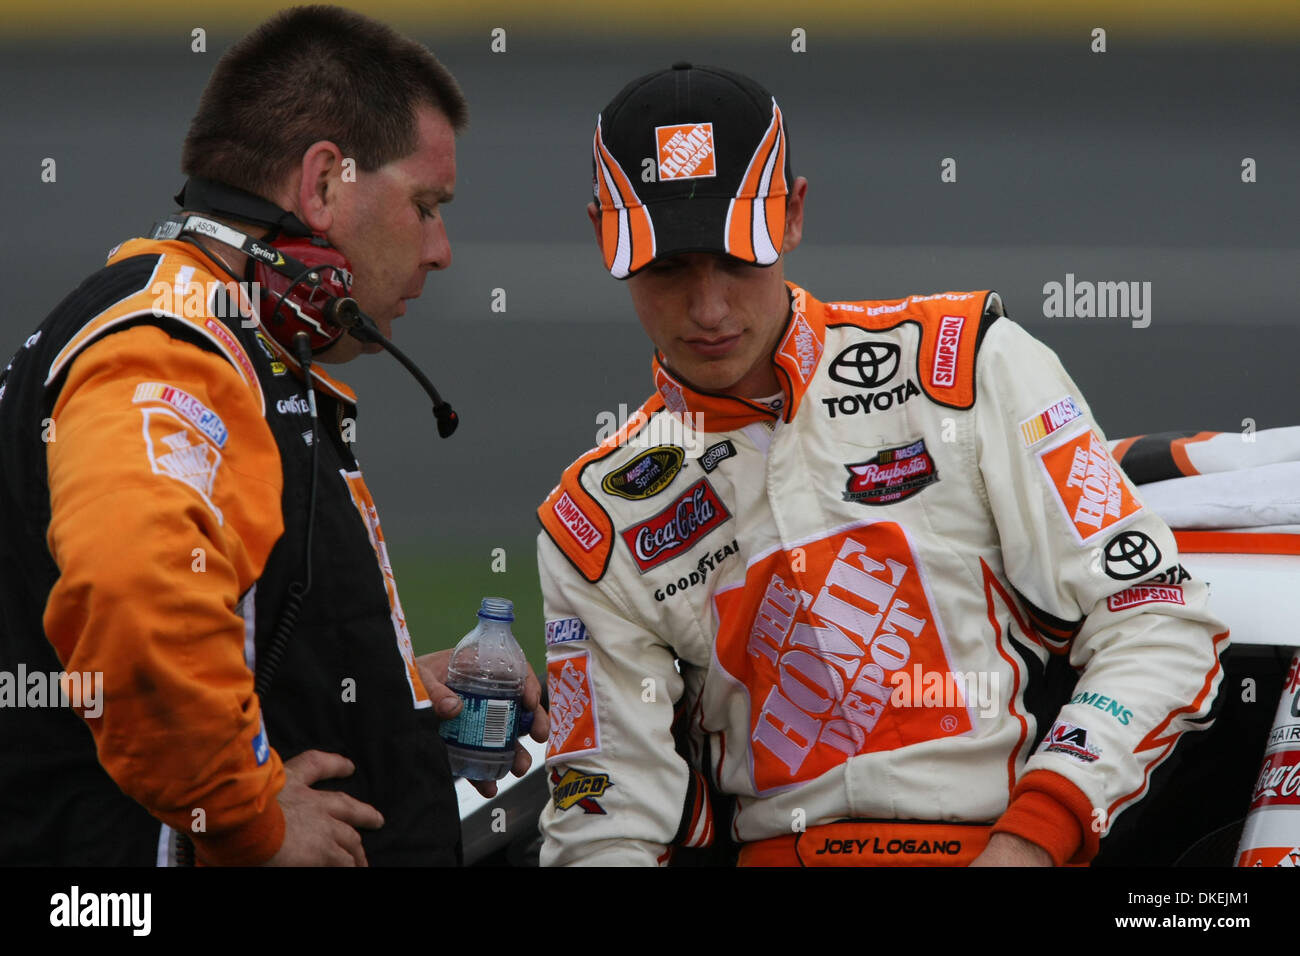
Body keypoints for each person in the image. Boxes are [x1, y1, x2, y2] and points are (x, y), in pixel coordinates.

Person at [534, 62, 1228, 866]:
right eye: (668, 269)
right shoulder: (596, 520)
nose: (710, 309)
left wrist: (1037, 835)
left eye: (737, 259)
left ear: (792, 214)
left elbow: (1157, 618)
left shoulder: (966, 366)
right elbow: (605, 822)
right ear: (603, 238)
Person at [0, 4, 546, 867]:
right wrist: (246, 814)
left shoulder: (217, 333)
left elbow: (237, 622)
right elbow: (134, 590)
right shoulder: (169, 346)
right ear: (324, 183)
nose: (441, 249)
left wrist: (388, 687)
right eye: (426, 205)